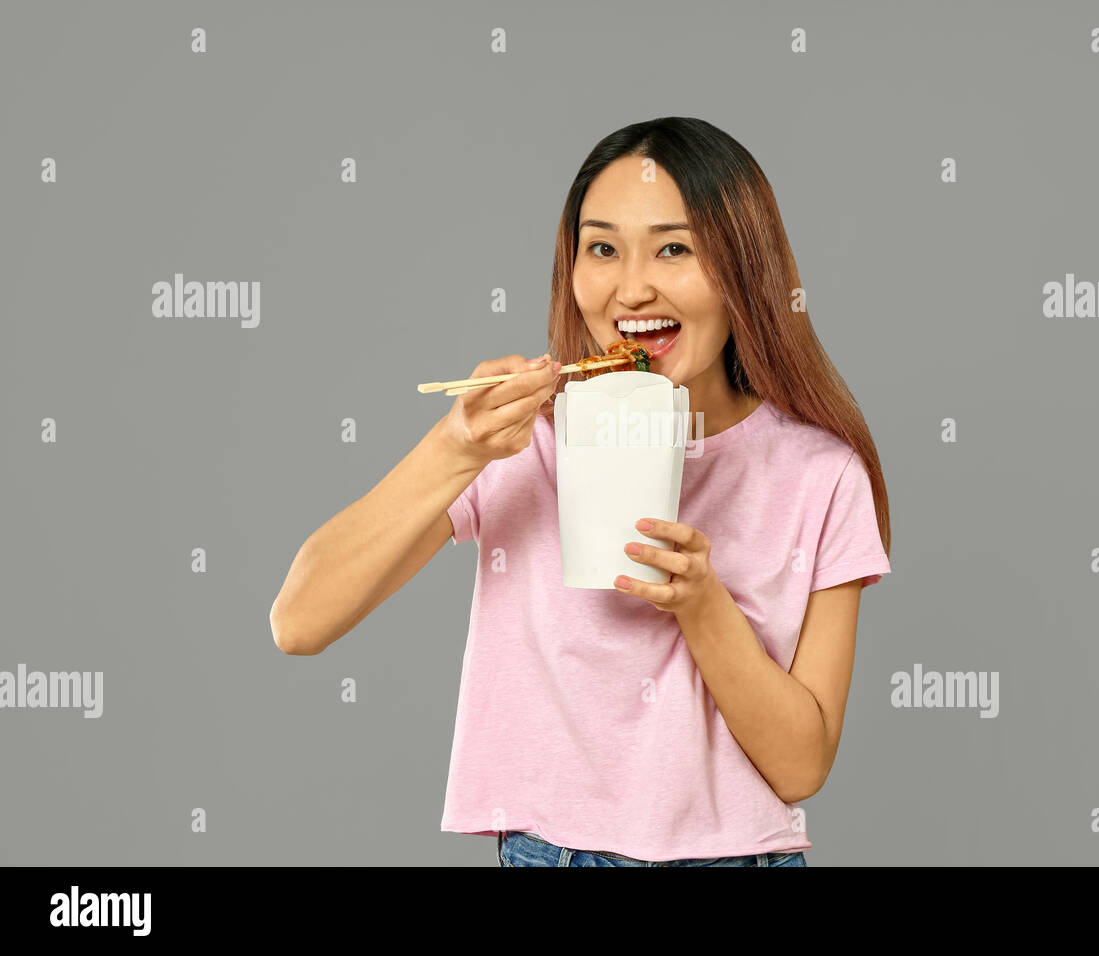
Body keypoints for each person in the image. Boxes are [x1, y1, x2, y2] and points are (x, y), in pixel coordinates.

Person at [270, 117, 892, 867]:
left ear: (743, 268)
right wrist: (454, 448)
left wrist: (702, 603)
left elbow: (802, 767)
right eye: (602, 249)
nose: (632, 288)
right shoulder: (523, 442)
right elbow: (299, 620)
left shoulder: (821, 476)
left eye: (675, 248)